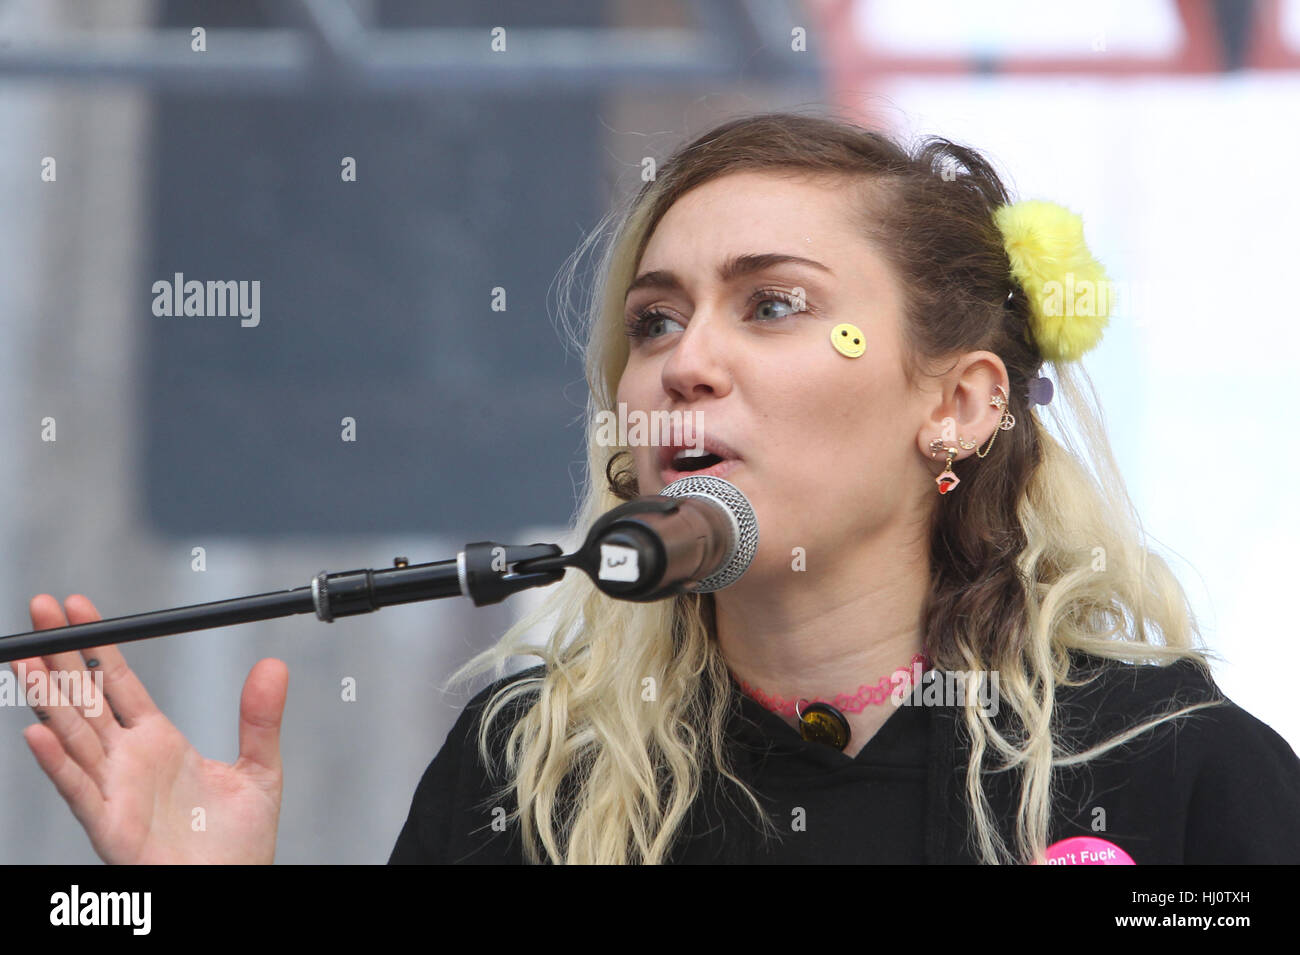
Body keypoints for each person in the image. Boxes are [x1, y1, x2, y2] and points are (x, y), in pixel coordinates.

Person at [15, 111, 1300, 865]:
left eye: (774, 304)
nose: (686, 360)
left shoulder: (1171, 773)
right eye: (654, 317)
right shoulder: (524, 776)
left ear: (953, 404)